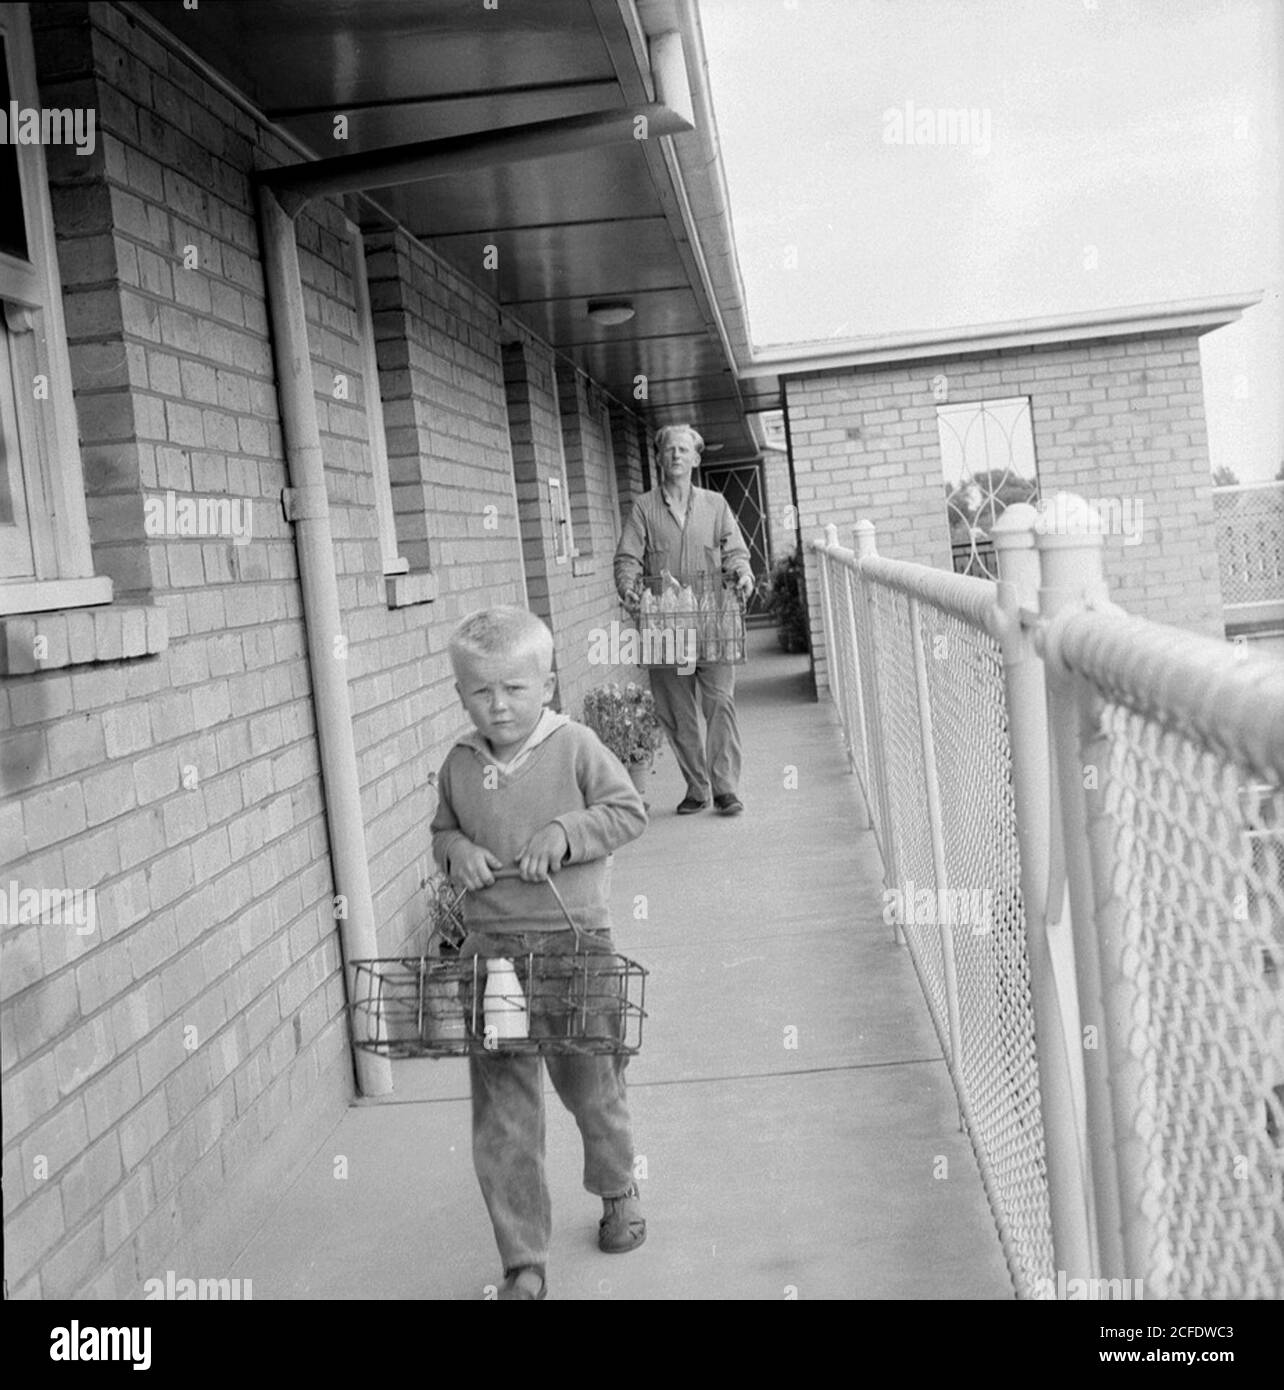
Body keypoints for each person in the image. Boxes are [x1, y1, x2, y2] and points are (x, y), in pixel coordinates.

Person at [431, 606, 648, 1301]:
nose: (497, 705)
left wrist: (566, 830)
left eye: (514, 689)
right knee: (503, 1107)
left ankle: (616, 1187)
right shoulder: (459, 765)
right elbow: (443, 832)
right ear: (460, 692)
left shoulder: (574, 745)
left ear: (547, 684)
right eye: (479, 691)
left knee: (591, 1083)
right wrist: (457, 851)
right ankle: (523, 1258)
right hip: (492, 957)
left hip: (574, 947)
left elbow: (627, 811)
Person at [614, 423, 755, 816]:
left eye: (683, 450)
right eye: (669, 450)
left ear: (696, 458)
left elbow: (735, 551)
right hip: (666, 627)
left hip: (713, 623)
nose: (676, 455)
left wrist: (742, 573)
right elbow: (628, 558)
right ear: (658, 458)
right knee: (677, 712)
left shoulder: (716, 505)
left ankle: (726, 788)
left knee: (720, 702)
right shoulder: (644, 508)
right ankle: (697, 787)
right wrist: (628, 588)